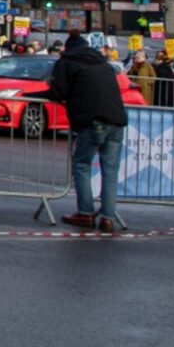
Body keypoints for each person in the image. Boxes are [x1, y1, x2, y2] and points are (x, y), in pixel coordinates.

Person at [35, 33, 130, 232]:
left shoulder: (67, 62)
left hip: (92, 120)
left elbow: (57, 92)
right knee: (110, 171)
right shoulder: (103, 63)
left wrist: (33, 95)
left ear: (68, 48)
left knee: (82, 164)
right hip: (116, 120)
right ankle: (107, 217)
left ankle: (85, 213)